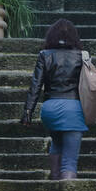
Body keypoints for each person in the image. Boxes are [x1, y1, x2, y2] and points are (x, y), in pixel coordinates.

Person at [20, 19, 88, 182]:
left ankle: (53, 184)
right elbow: (90, 84)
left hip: (50, 109)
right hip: (72, 108)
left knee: (56, 143)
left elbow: (35, 86)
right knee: (69, 163)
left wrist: (28, 112)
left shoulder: (44, 55)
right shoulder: (82, 56)